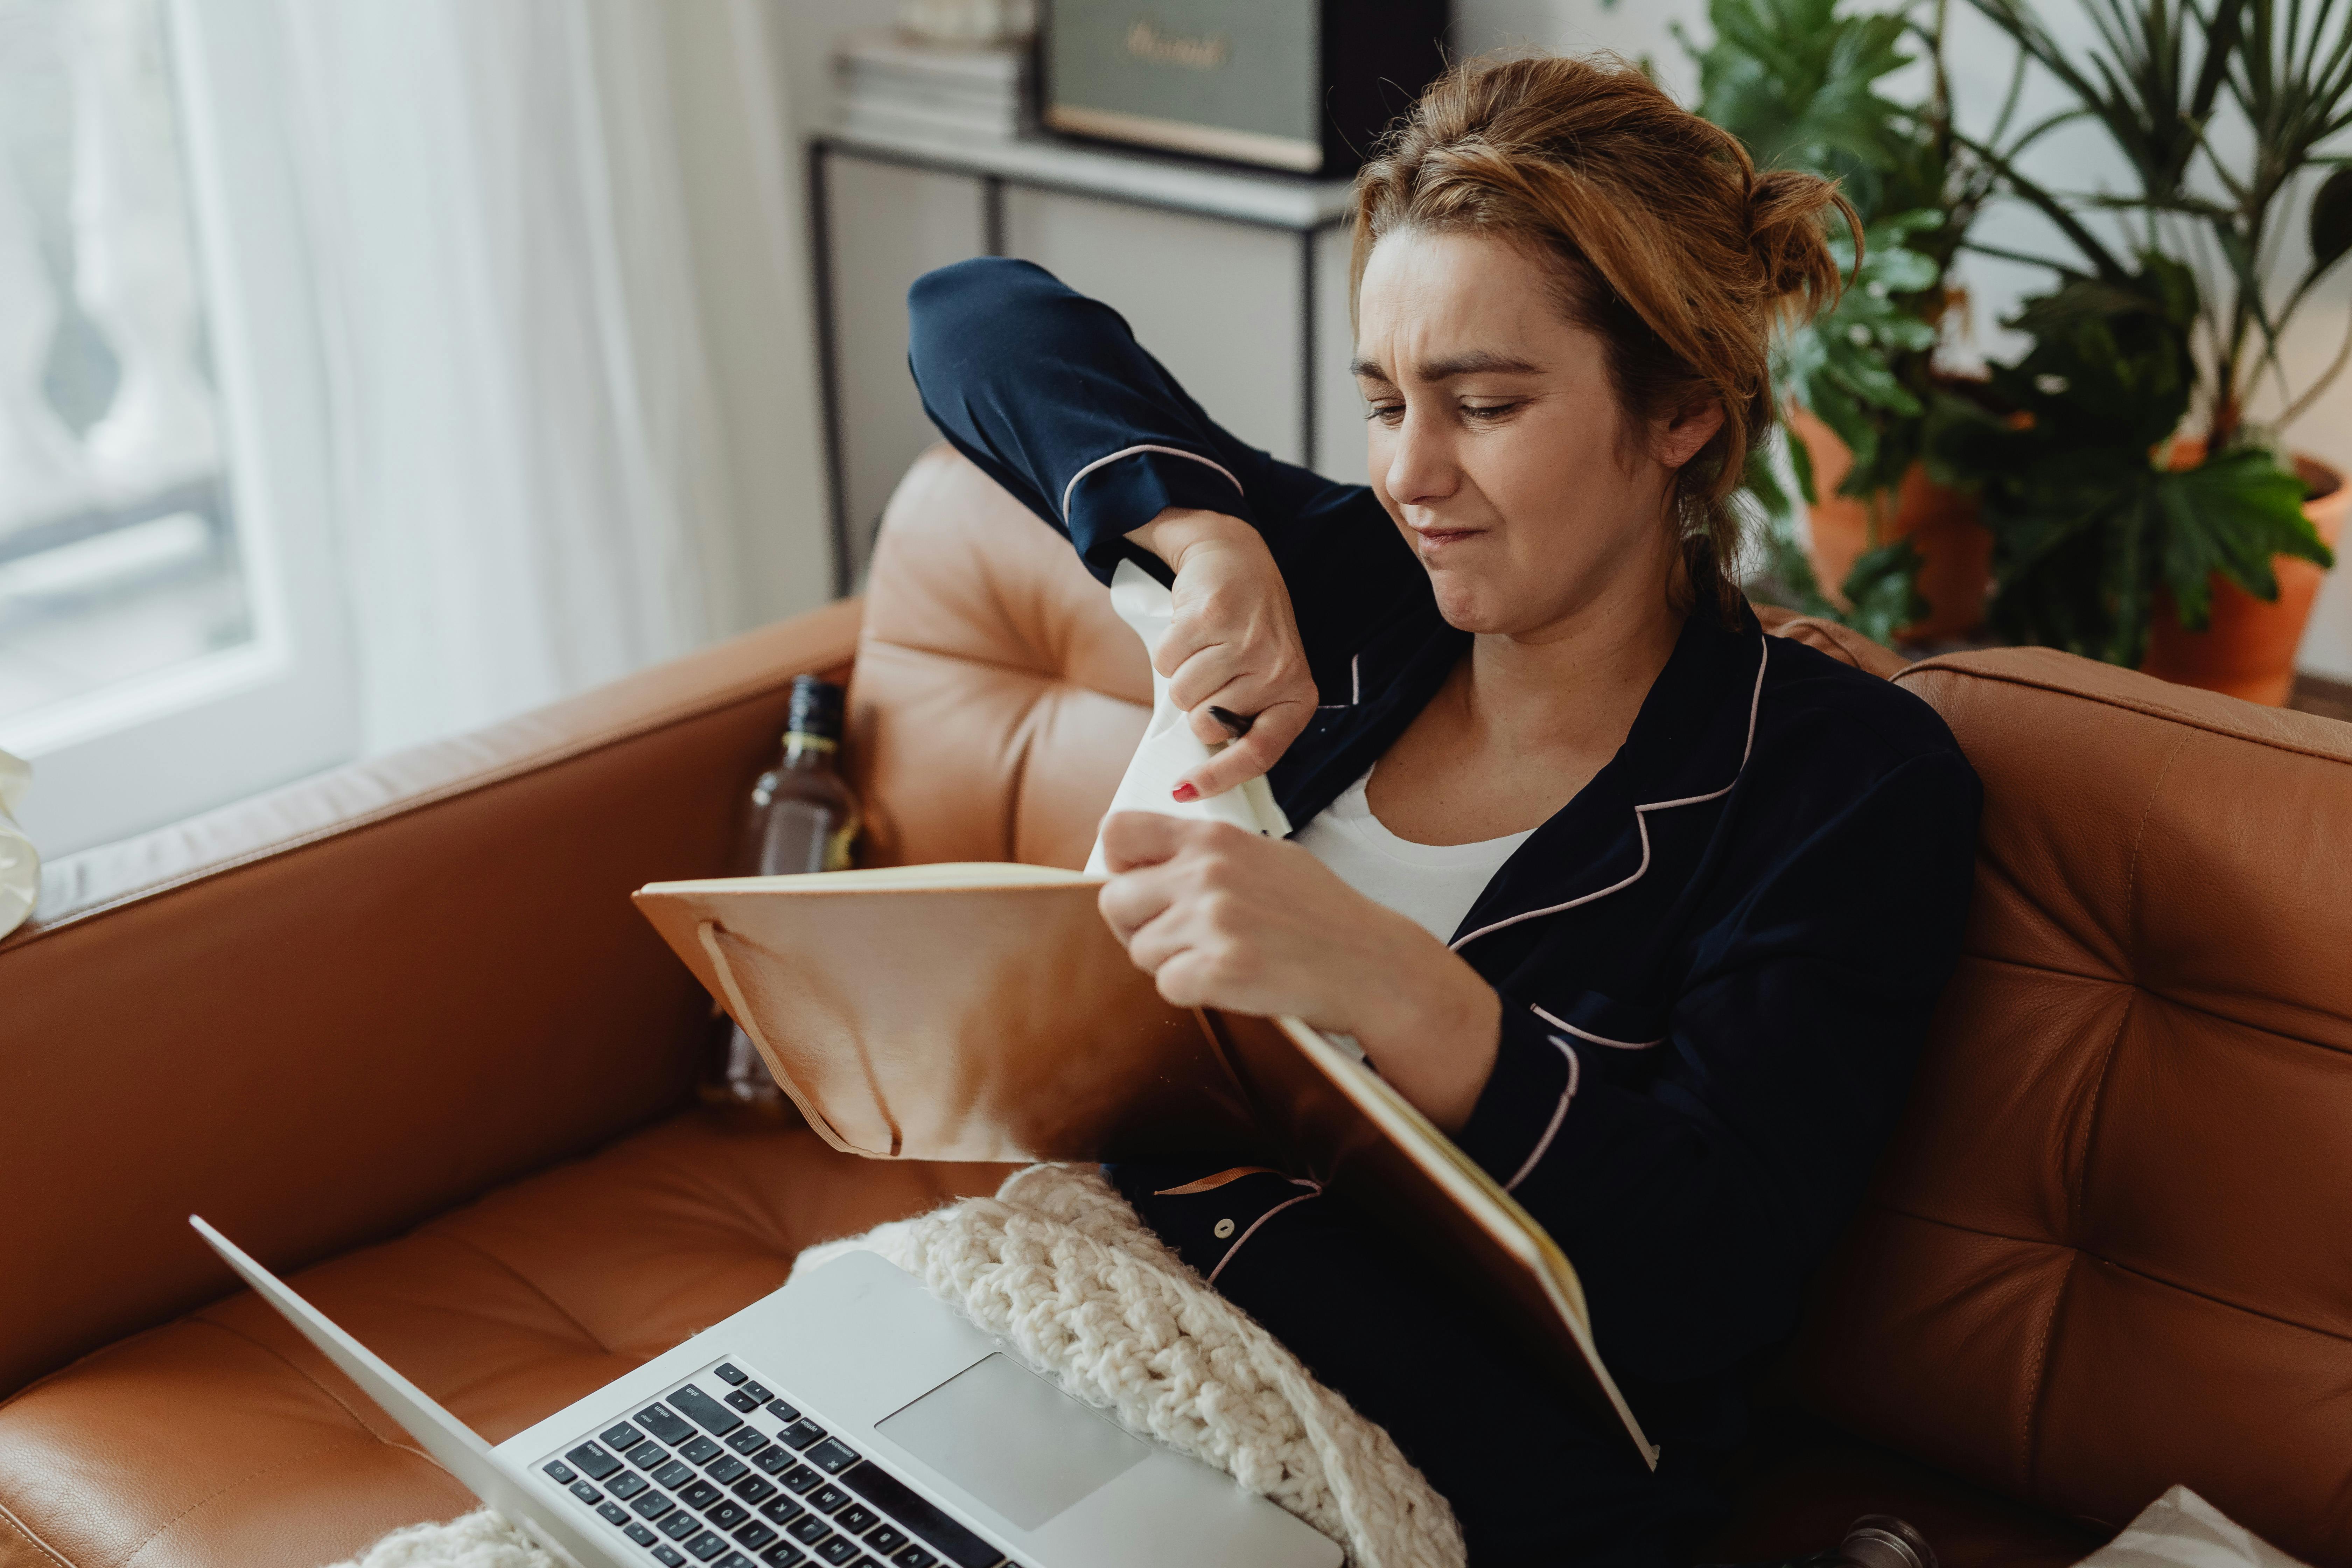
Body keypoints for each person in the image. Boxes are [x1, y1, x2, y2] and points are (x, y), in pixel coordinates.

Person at [906, 52, 1982, 1566]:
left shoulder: (1842, 786)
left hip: (1427, 1467)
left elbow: (1712, 1276)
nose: (1412, 473)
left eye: (1482, 404)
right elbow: (967, 315)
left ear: (1680, 409)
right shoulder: (1343, 585)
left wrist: (1401, 989)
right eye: (1383, 400)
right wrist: (1204, 533)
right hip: (1089, 1314)